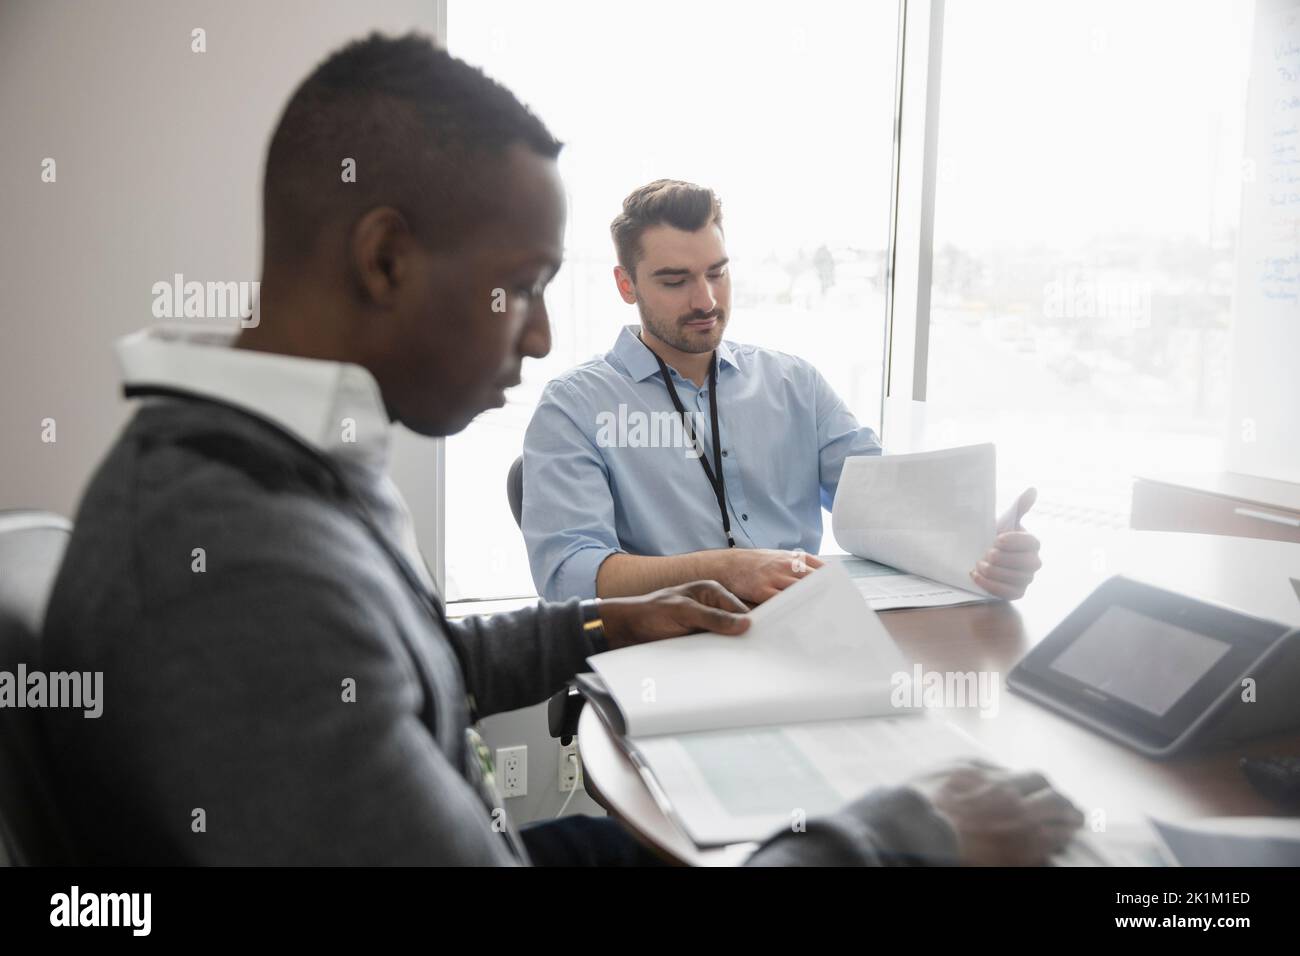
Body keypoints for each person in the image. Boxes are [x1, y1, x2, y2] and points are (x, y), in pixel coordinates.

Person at [41, 33, 1078, 866]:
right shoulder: (234, 572)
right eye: (523, 283)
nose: (537, 334)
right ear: (387, 257)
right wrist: (896, 843)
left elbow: (412, 659)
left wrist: (604, 619)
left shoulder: (272, 464)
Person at [522, 179, 1043, 605]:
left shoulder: (794, 383)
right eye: (675, 280)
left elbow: (885, 507)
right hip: (670, 648)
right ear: (625, 285)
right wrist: (725, 571)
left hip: (808, 628)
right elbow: (568, 577)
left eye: (717, 273)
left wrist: (979, 544)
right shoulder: (575, 407)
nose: (706, 300)